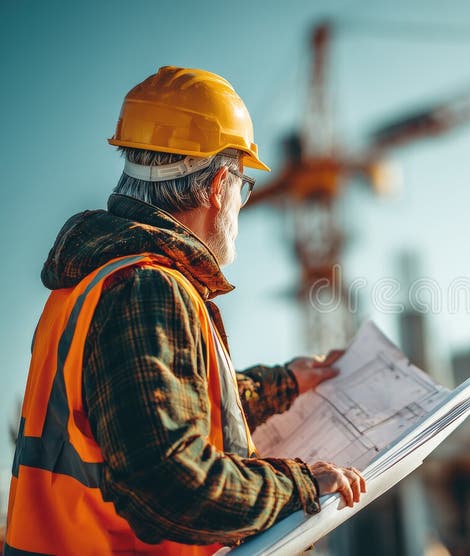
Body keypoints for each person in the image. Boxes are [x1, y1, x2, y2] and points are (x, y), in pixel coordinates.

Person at [4, 66, 365, 555]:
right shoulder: (146, 287)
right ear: (219, 186)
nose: (242, 203)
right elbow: (171, 481)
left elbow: (157, 404)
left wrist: (286, 382)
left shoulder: (94, 280)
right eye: (245, 188)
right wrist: (301, 486)